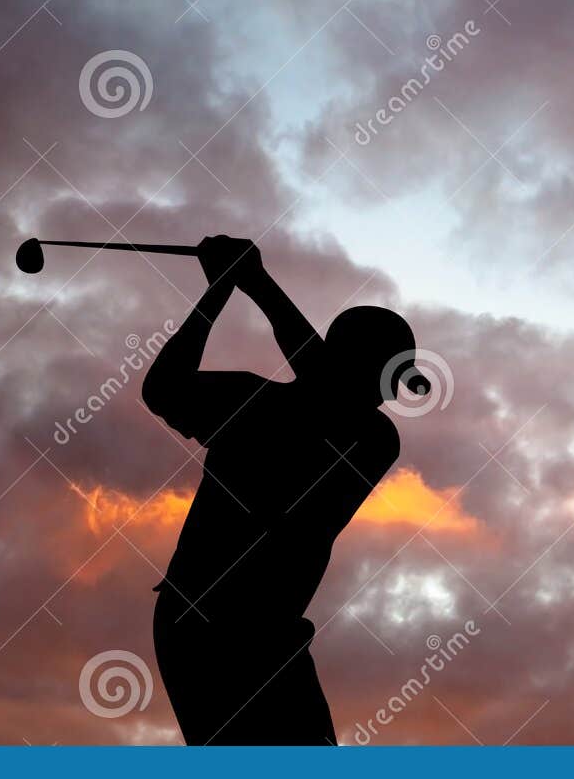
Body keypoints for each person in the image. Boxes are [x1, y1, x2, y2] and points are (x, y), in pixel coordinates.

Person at [141, 235, 422, 745]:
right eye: (387, 377)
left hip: (254, 632)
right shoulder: (272, 406)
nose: (388, 395)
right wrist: (231, 286)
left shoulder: (371, 438)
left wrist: (240, 285)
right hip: (210, 625)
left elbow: (326, 387)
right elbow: (161, 389)